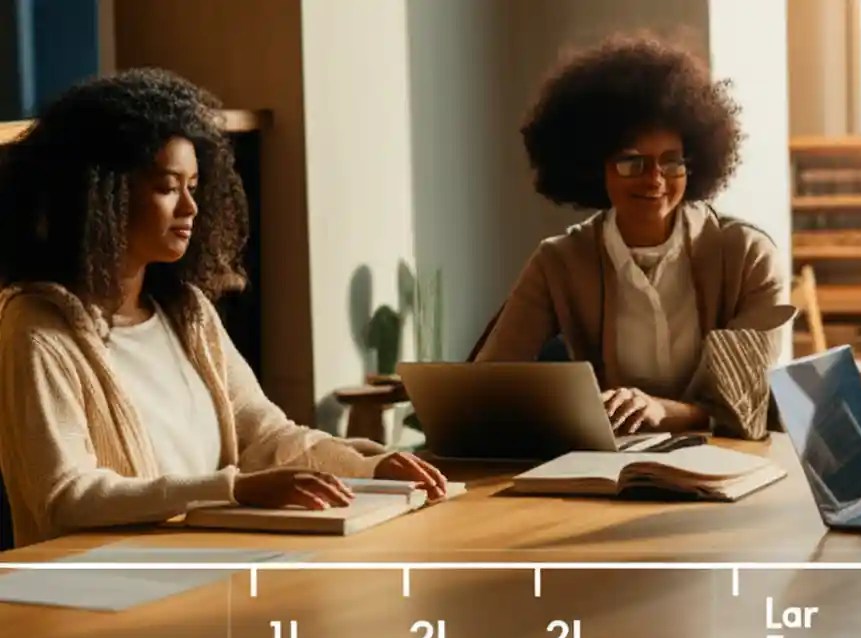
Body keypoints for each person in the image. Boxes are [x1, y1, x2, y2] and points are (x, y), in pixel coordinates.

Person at [0, 68, 449, 549]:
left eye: (194, 185)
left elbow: (265, 436)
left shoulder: (188, 313)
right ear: (102, 196)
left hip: (209, 571)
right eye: (168, 187)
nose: (191, 208)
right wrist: (230, 490)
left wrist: (371, 466)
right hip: (107, 594)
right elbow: (67, 495)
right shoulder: (37, 330)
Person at [470, 33, 787, 437]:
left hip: (730, 463)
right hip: (614, 468)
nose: (654, 179)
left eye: (671, 162)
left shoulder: (748, 256)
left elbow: (743, 405)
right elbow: (488, 384)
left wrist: (662, 411)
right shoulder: (560, 262)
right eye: (631, 163)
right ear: (594, 167)